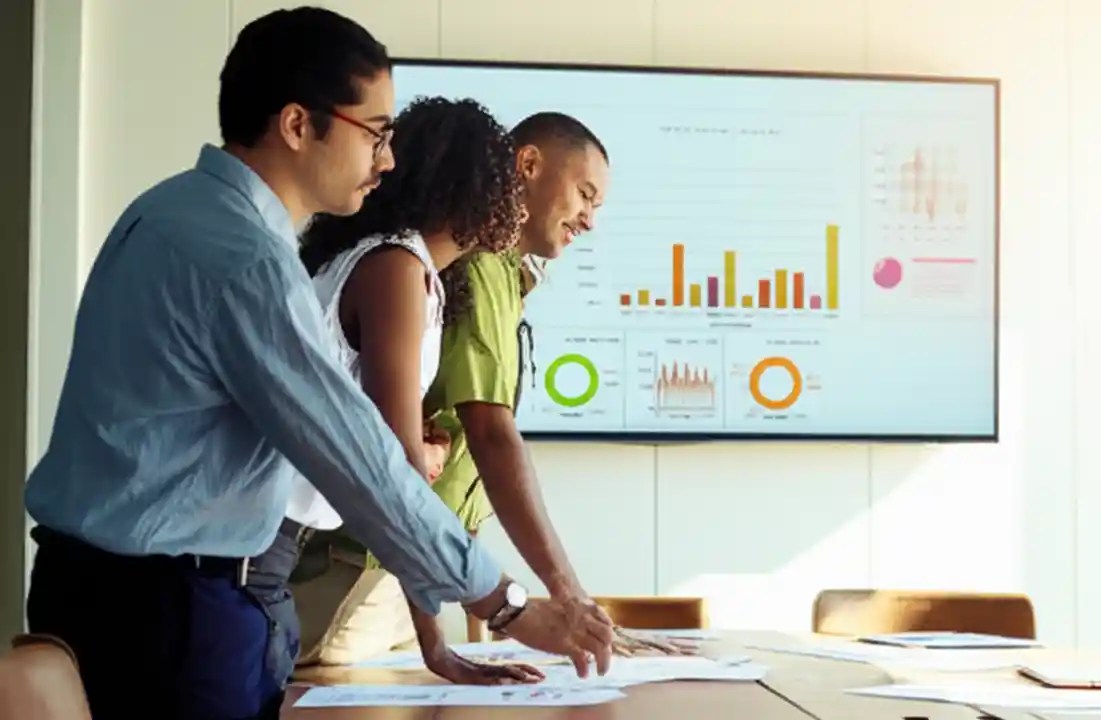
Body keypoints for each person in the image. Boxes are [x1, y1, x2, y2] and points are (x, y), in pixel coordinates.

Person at [22, 9, 610, 719]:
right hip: (173, 609)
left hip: (107, 584)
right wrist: (505, 603)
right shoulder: (243, 258)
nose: (388, 161)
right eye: (377, 134)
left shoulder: (169, 209)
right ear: (298, 125)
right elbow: (357, 454)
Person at [295, 111, 685, 665]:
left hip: (408, 572)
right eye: (585, 195)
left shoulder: (432, 269)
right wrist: (551, 601)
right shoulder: (429, 267)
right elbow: (476, 438)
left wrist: (453, 634)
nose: (590, 222)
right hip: (365, 571)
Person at [252, 94, 546, 686]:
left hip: (270, 541)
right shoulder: (396, 269)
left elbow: (393, 453)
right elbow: (401, 472)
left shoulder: (399, 266)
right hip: (263, 546)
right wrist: (440, 649)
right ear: (474, 188)